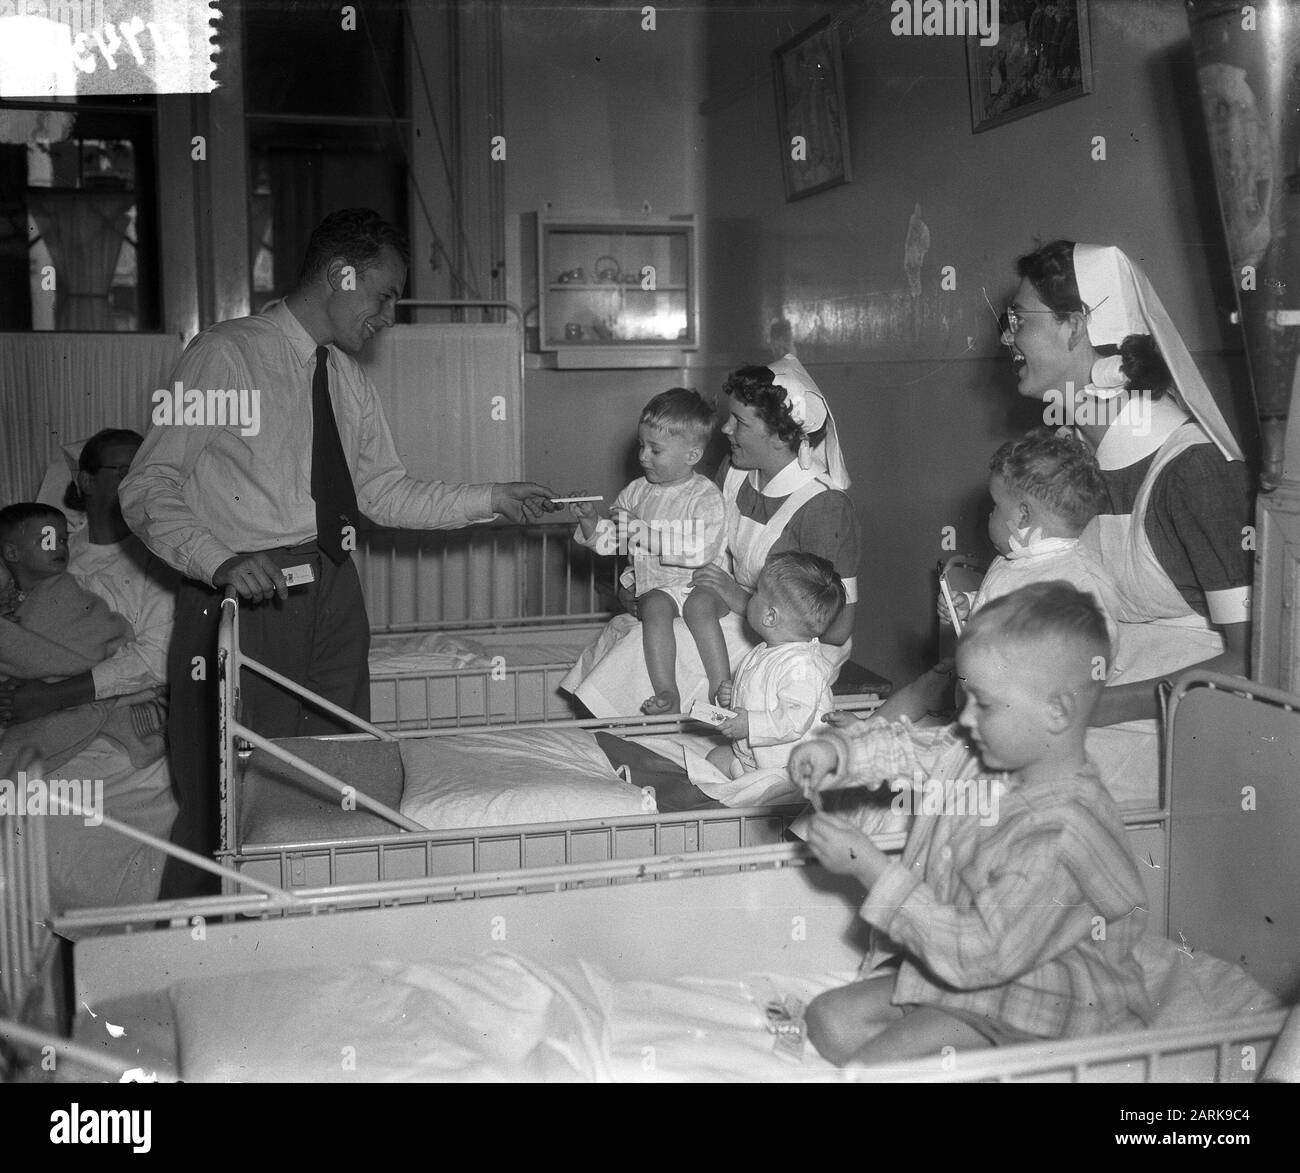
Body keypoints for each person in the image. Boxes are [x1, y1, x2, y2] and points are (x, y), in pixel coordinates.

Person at [119, 208, 557, 896]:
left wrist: (492, 497)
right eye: (382, 295)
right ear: (338, 274)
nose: (388, 313)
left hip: (328, 587)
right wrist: (221, 560)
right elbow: (148, 483)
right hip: (243, 593)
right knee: (229, 794)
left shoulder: (345, 377)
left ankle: (316, 925)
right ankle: (202, 947)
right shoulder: (226, 355)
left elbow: (384, 491)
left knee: (336, 770)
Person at [790, 583, 1151, 1066]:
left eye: (982, 702)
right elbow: (911, 749)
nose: (965, 716)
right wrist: (838, 751)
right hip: (969, 982)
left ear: (1057, 711)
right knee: (829, 1022)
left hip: (1047, 1012)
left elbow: (981, 953)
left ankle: (1027, 1070)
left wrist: (869, 867)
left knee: (874, 1070)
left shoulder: (1062, 833)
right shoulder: (979, 752)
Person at [1003, 241, 1254, 792]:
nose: (1009, 338)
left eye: (1019, 320)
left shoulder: (1192, 470)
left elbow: (1252, 661)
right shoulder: (1069, 458)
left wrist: (1089, 707)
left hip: (1181, 740)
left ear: (1075, 327)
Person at [562, 354, 859, 718]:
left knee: (640, 645)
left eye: (740, 422)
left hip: (788, 643)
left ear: (780, 436)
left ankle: (662, 732)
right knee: (633, 629)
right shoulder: (734, 472)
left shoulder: (824, 506)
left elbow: (835, 627)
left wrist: (738, 597)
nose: (725, 430)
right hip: (722, 606)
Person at [0, 471, 179, 912]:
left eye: (140, 466)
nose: (128, 479)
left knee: (45, 826)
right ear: (86, 482)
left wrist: (55, 691)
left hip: (107, 712)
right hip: (43, 717)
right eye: (116, 469)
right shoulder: (61, 557)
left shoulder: (164, 558)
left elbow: (133, 651)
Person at [571, 389, 729, 714]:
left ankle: (722, 685)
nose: (643, 456)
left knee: (699, 607)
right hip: (660, 588)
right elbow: (611, 542)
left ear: (692, 455)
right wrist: (590, 521)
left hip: (702, 582)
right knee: (654, 605)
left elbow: (701, 549)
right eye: (642, 445)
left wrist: (643, 532)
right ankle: (667, 692)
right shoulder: (635, 493)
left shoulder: (704, 495)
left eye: (655, 450)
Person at [705, 552, 843, 779]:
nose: (751, 595)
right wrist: (733, 695)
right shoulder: (766, 650)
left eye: (756, 592)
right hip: (752, 757)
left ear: (770, 616)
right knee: (714, 759)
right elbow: (759, 693)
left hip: (788, 767)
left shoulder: (802, 666)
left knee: (763, 794)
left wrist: (750, 724)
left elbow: (793, 720)